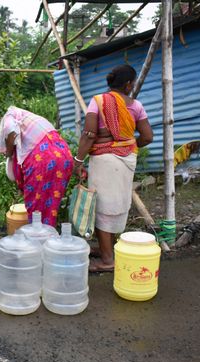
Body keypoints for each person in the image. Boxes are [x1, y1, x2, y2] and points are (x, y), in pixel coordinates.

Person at [73, 65, 153, 272]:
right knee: (118, 203)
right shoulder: (136, 106)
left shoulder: (98, 101)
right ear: (128, 84)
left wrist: (78, 160)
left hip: (104, 161)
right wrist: (127, 143)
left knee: (102, 207)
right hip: (127, 160)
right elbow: (147, 137)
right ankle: (107, 249)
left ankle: (108, 260)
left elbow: (89, 134)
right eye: (132, 83)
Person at [0, 106, 73, 227]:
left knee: (36, 208)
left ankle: (38, 241)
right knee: (51, 205)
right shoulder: (32, 120)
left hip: (43, 159)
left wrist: (9, 152)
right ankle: (50, 239)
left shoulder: (10, 115)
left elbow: (10, 129)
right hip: (64, 156)